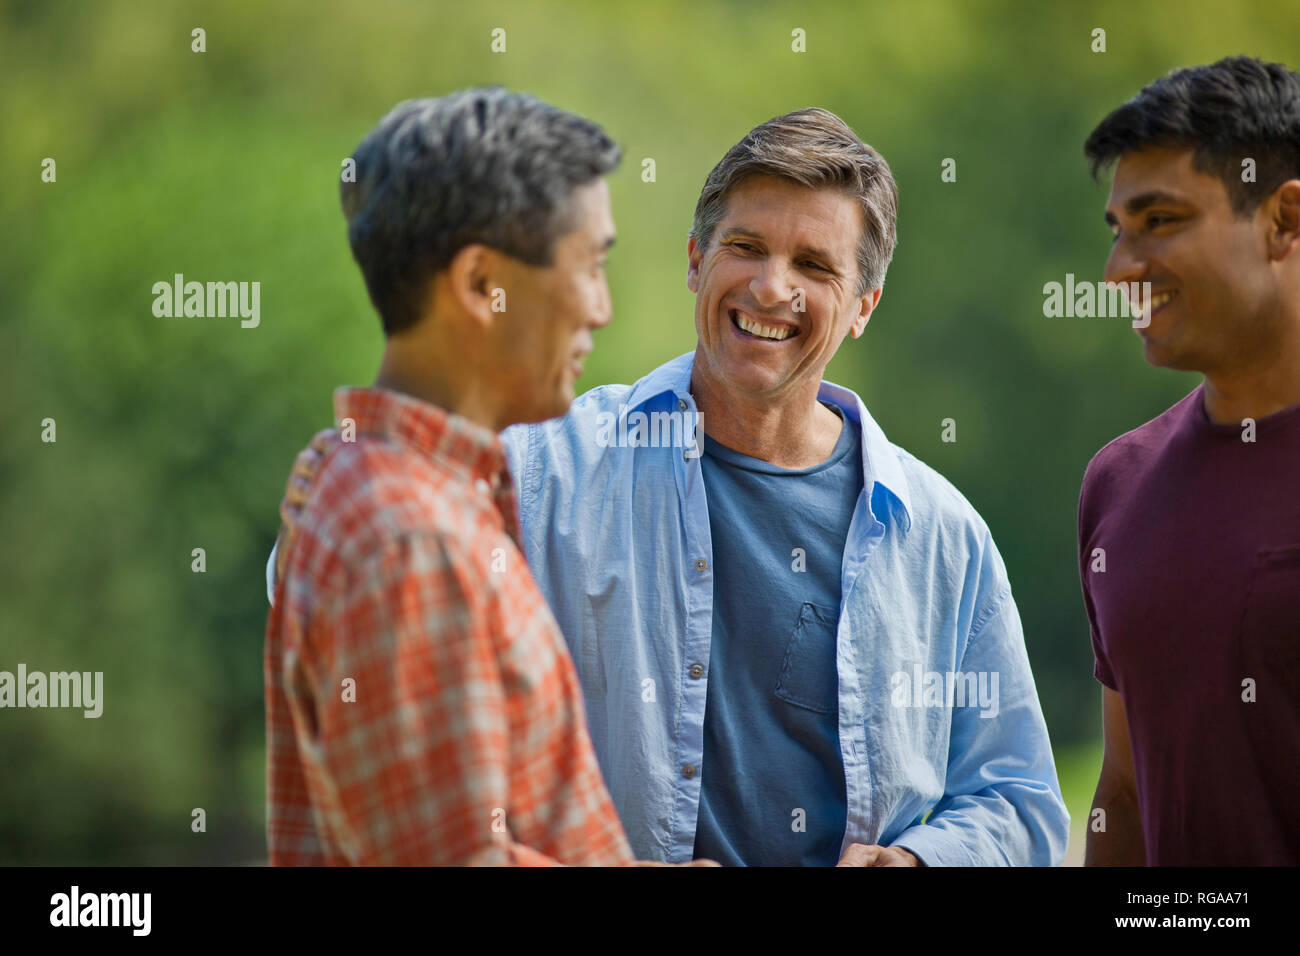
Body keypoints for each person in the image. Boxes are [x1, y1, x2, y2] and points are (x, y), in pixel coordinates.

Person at [272, 107, 1069, 866]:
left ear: (864, 306)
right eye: (746, 247)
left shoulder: (939, 534)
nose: (770, 288)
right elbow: (338, 578)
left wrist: (920, 859)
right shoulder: (544, 463)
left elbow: (1019, 798)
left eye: (814, 266)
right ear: (696, 259)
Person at [265, 88, 638, 865]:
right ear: (479, 285)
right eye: (592, 266)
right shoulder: (412, 541)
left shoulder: (387, 488)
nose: (602, 310)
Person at [1079, 55, 1300, 865]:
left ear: (1284, 220)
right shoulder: (1117, 484)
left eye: (1160, 221)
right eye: (1118, 231)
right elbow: (1126, 796)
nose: (1119, 270)